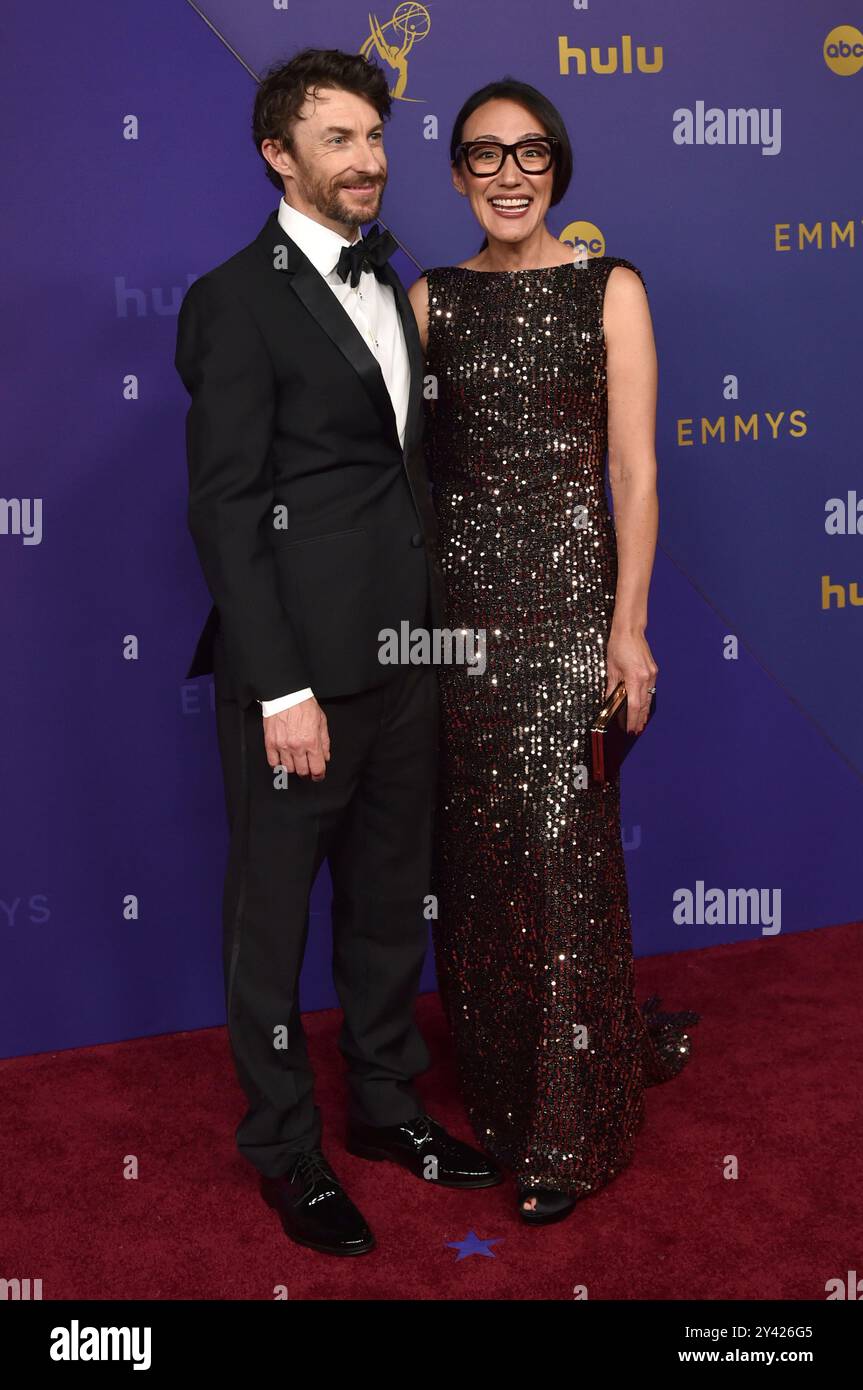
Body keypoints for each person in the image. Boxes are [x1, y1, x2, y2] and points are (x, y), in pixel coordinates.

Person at [175, 48, 500, 1258]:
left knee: (381, 910)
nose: (366, 159)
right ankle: (286, 1150)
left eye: (374, 136)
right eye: (337, 139)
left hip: (405, 661)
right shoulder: (232, 297)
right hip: (297, 680)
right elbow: (224, 508)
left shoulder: (395, 271)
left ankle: (384, 1109)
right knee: (271, 927)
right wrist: (281, 687)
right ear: (278, 152)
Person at [408, 78, 699, 1226]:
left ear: (557, 167)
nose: (508, 174)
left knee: (564, 855)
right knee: (478, 863)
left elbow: (631, 473)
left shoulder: (607, 288)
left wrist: (626, 627)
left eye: (530, 153)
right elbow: (397, 470)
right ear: (456, 175)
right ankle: (501, 1078)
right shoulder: (427, 299)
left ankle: (572, 1125)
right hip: (458, 622)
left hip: (573, 612)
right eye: (484, 156)